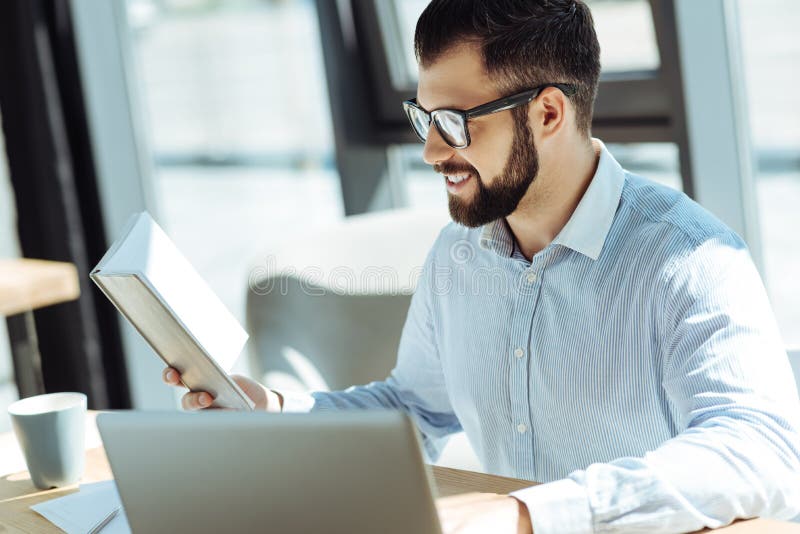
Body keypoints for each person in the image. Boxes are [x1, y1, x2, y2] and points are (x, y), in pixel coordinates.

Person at [163, 1, 800, 532]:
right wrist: (276, 413)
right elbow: (415, 407)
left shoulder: (688, 256)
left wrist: (527, 514)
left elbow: (760, 449)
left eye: (454, 122)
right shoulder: (458, 253)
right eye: (424, 118)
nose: (431, 151)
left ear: (548, 113)